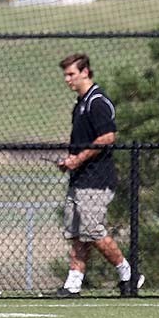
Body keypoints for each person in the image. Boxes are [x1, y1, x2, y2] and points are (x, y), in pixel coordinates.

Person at [55, 53, 144, 297]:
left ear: (85, 72)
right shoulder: (80, 104)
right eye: (65, 75)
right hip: (79, 179)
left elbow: (107, 137)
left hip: (96, 180)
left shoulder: (98, 102)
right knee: (77, 233)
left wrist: (78, 159)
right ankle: (73, 284)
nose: (67, 79)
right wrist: (69, 161)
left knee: (92, 231)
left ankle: (128, 273)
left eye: (71, 74)